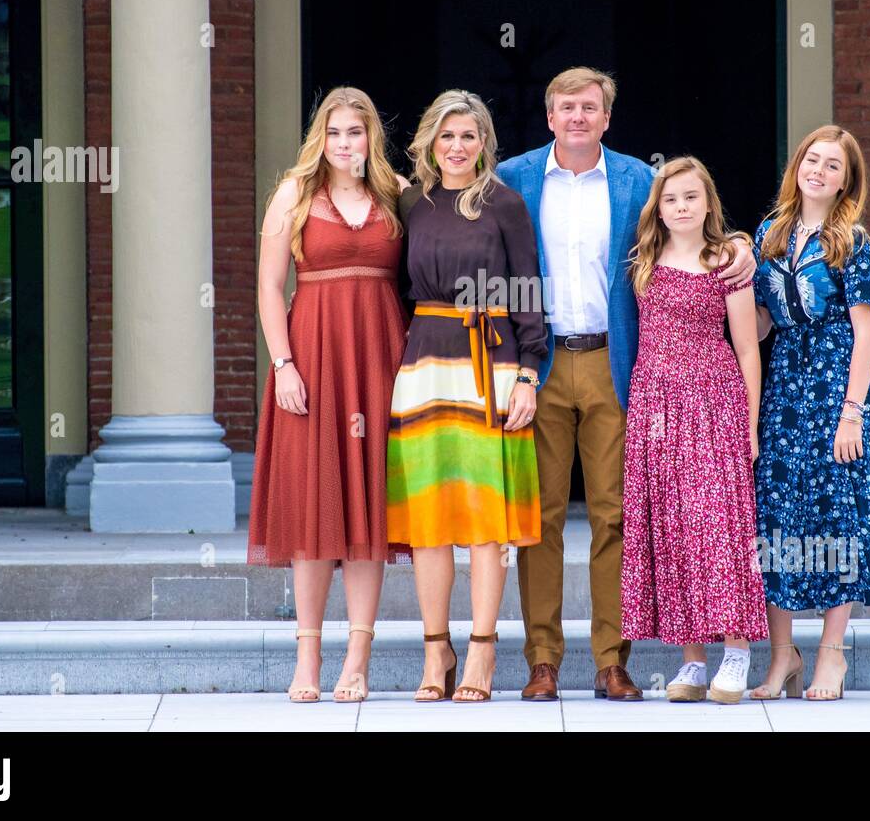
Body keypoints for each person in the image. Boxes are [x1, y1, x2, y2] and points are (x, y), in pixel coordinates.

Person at [498, 67, 756, 702]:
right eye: (567, 107)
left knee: (618, 515)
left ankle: (613, 659)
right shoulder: (515, 178)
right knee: (542, 518)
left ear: (607, 118)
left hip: (621, 365)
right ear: (549, 114)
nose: (578, 117)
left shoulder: (642, 180)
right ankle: (542, 661)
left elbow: (695, 232)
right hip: (542, 363)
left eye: (590, 107)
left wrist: (744, 244)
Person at [247, 87, 410, 703]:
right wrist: (283, 364)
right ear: (322, 136)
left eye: (357, 132)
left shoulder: (393, 195)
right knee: (314, 509)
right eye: (336, 132)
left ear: (373, 138)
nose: (346, 143)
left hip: (378, 361)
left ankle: (357, 660)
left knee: (368, 509)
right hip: (310, 361)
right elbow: (268, 287)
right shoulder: (294, 194)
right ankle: (308, 658)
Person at [387, 89, 547, 703]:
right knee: (429, 521)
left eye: (468, 136)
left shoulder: (505, 204)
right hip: (425, 363)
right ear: (431, 140)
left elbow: (529, 288)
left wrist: (529, 372)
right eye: (447, 136)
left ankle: (482, 651)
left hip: (494, 363)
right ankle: (437, 649)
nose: (457, 147)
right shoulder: (410, 202)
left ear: (485, 144)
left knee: (485, 519)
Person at [749, 124, 870, 702]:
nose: (818, 170)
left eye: (833, 166)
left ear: (847, 182)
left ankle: (831, 655)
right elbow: (765, 322)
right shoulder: (768, 234)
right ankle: (780, 658)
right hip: (786, 387)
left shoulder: (854, 241)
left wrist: (851, 413)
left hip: (841, 389)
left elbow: (867, 331)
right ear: (798, 165)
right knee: (774, 516)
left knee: (838, 516)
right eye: (812, 159)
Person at [620, 156, 769, 704]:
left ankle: (737, 652)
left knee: (718, 522)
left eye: (690, 197)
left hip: (712, 400)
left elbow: (749, 347)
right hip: (654, 404)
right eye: (670, 198)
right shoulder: (643, 259)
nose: (681, 207)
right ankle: (692, 660)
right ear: (657, 207)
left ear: (709, 203)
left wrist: (748, 423)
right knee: (672, 525)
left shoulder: (725, 259)